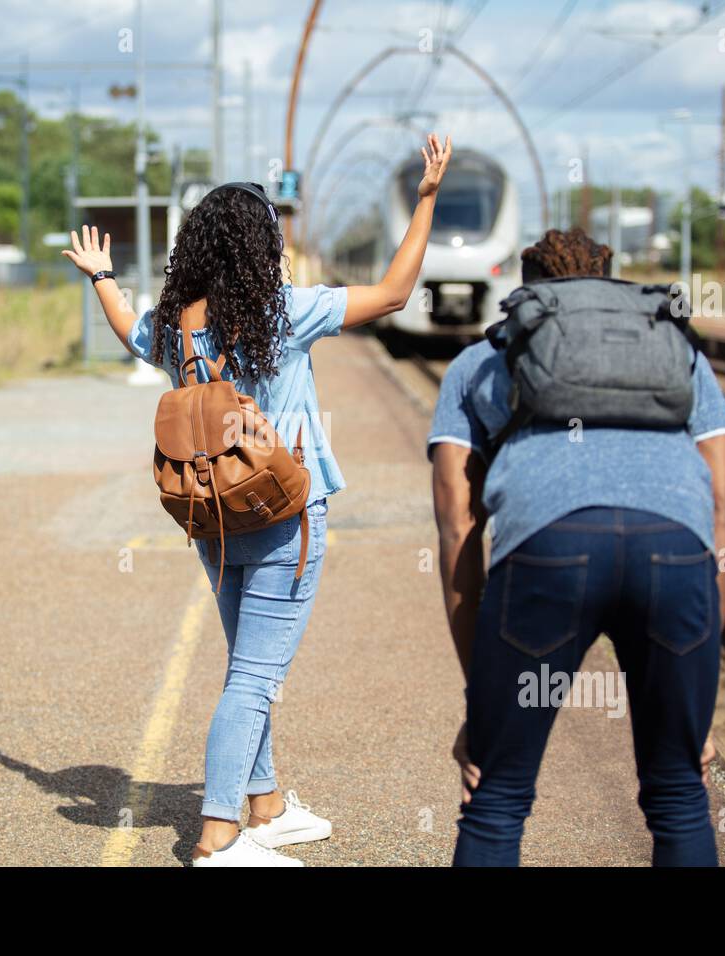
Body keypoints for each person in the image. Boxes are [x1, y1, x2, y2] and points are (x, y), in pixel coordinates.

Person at [65, 134, 454, 867]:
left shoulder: (177, 327)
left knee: (249, 662)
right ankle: (217, 837)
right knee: (254, 676)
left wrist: (102, 276)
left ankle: (266, 805)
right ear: (259, 246)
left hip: (213, 518)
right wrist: (426, 197)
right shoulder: (287, 312)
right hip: (285, 516)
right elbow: (397, 292)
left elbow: (127, 330)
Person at [428, 227, 725, 867]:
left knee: (497, 796)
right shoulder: (674, 350)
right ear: (610, 284)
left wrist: (484, 700)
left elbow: (459, 529)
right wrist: (693, 690)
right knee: (681, 795)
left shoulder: (480, 361)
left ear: (528, 295)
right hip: (675, 552)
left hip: (550, 553)